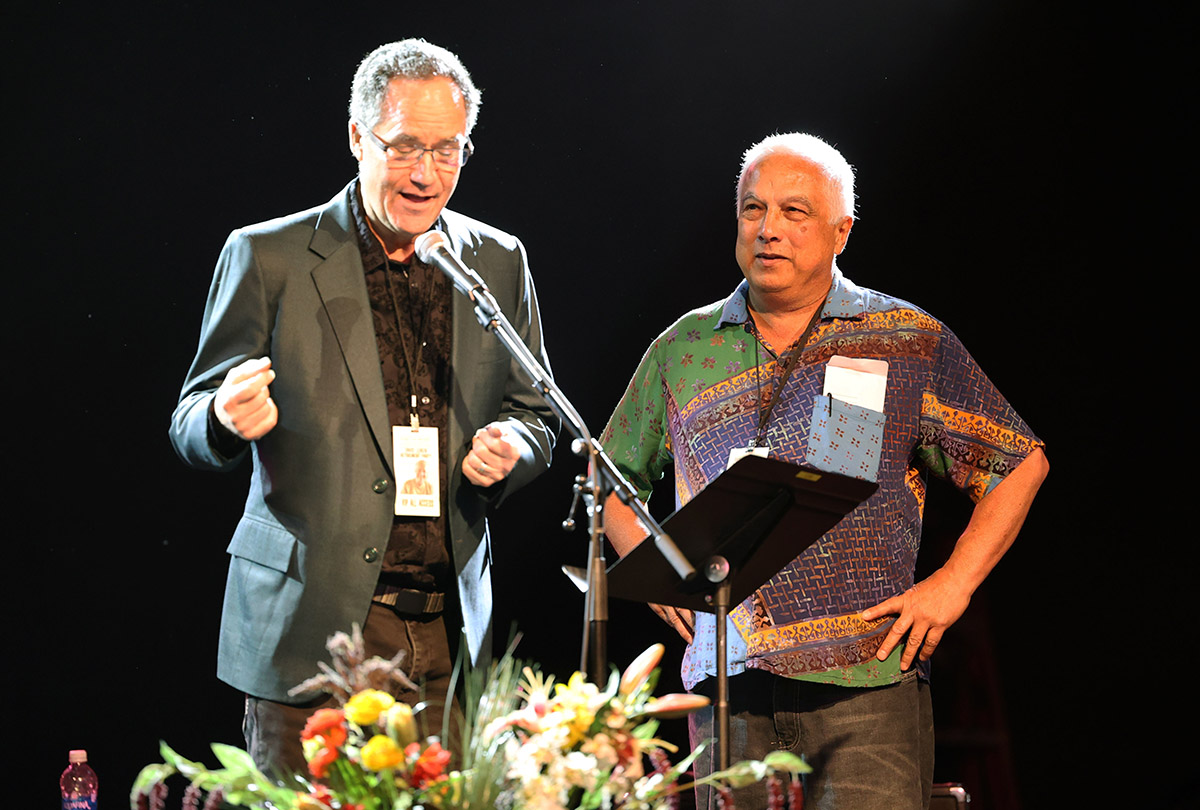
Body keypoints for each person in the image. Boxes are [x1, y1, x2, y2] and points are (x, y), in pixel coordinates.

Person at [600, 132, 1047, 809]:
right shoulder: (682, 347)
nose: (769, 229)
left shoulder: (903, 337)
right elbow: (607, 476)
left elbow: (1018, 462)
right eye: (753, 210)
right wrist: (652, 557)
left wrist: (952, 586)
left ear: (842, 230)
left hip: (868, 685)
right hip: (729, 692)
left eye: (794, 212)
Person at [169, 39, 559, 774]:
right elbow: (188, 418)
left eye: (448, 151)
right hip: (313, 629)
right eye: (405, 145)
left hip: (448, 633)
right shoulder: (270, 256)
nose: (425, 174)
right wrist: (222, 418)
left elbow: (538, 410)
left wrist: (514, 442)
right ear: (356, 136)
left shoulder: (498, 261)